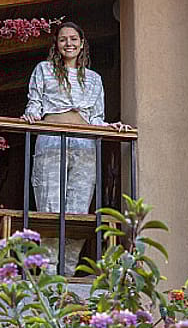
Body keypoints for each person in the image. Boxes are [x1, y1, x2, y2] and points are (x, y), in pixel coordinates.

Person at [21, 22, 131, 214]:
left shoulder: (94, 79)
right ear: (57, 44)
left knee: (78, 209)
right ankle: (48, 246)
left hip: (84, 143)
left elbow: (96, 117)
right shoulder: (44, 69)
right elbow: (35, 102)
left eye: (73, 39)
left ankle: (70, 246)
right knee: (49, 206)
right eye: (63, 39)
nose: (68, 43)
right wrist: (31, 114)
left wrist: (110, 127)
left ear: (81, 44)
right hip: (52, 140)